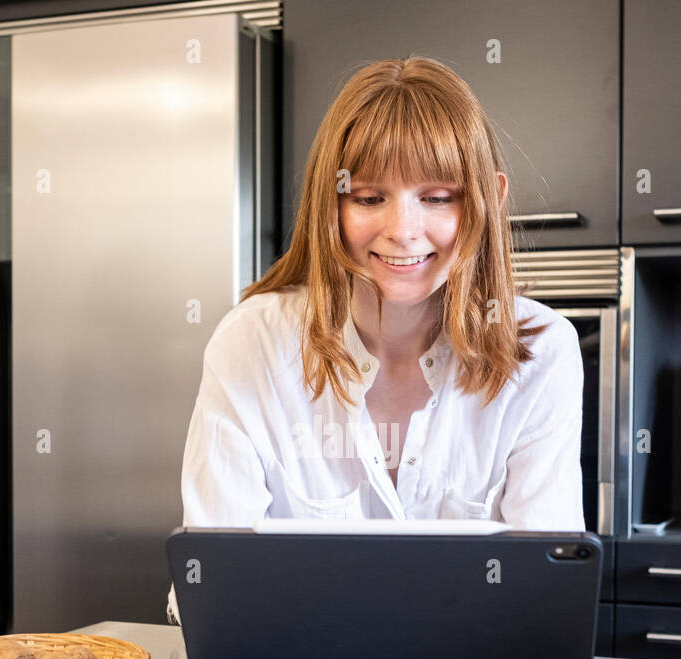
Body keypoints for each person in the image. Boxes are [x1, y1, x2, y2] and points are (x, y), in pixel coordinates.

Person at [168, 56, 584, 623]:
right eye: (368, 198)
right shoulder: (250, 345)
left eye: (438, 197)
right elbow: (210, 592)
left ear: (490, 199)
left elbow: (544, 605)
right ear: (329, 202)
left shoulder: (543, 354)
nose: (403, 229)